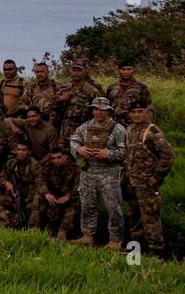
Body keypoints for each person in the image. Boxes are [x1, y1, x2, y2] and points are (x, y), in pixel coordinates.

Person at [69, 97, 127, 250]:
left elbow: (125, 151)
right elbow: (73, 141)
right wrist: (79, 149)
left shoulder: (118, 129)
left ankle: (116, 240)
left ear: (108, 111)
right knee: (88, 205)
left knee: (113, 207)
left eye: (101, 109)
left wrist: (108, 154)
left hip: (109, 174)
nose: (98, 112)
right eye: (95, 109)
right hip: (88, 172)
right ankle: (87, 236)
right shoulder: (85, 126)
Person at [122, 103, 174, 256]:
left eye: (140, 111)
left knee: (150, 219)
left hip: (147, 184)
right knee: (133, 217)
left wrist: (156, 176)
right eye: (133, 112)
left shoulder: (152, 131)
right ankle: (135, 250)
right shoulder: (130, 129)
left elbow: (168, 156)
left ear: (146, 112)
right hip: (131, 182)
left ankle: (157, 253)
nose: (137, 115)